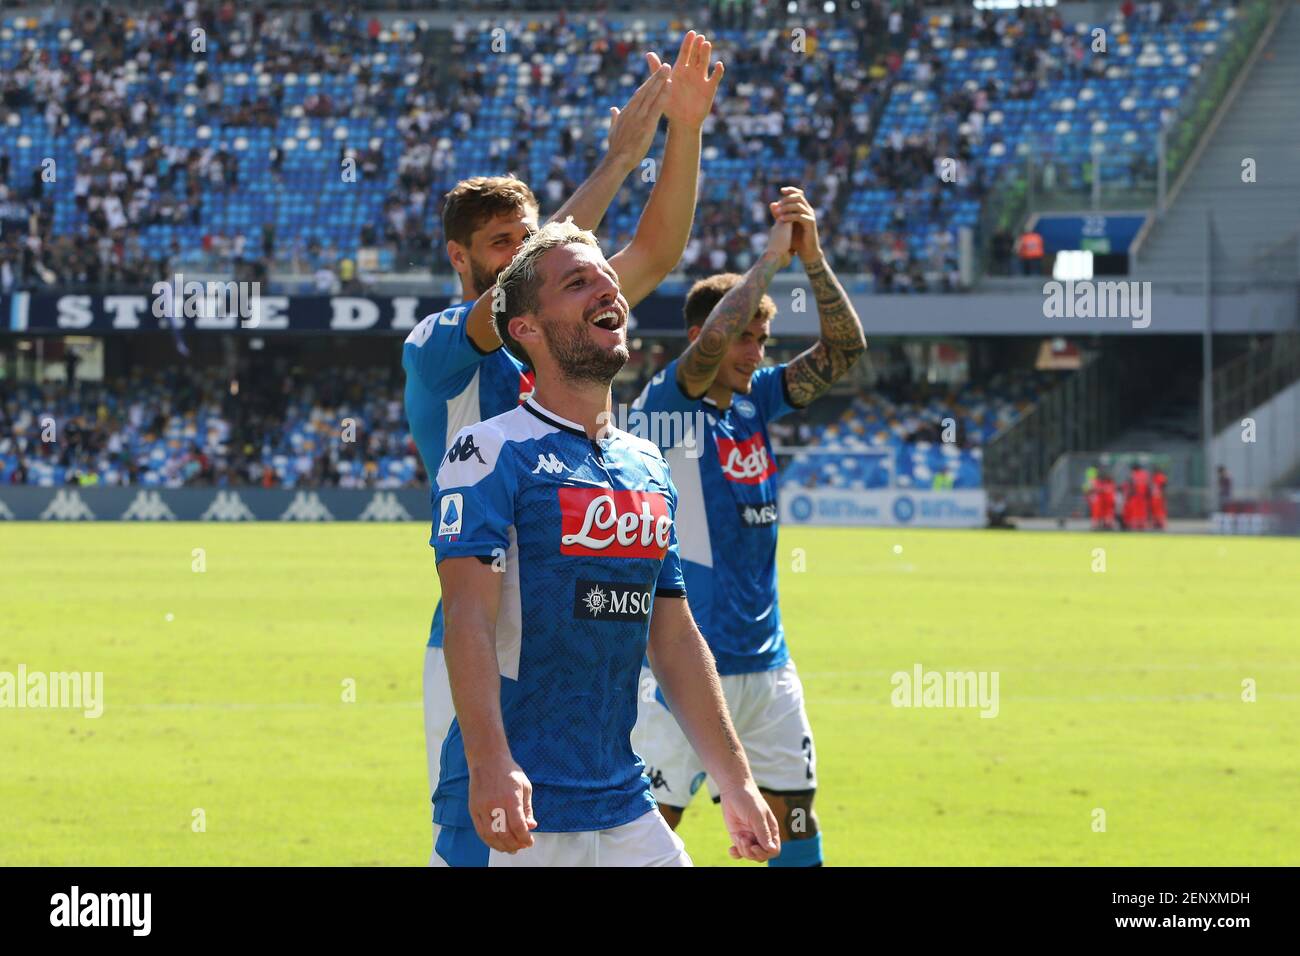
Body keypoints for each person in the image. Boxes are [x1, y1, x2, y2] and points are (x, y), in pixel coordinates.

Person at [403, 32, 725, 863]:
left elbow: (654, 253)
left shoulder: (562, 324)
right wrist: (617, 163)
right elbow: (546, 269)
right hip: (487, 629)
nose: (524, 251)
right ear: (461, 258)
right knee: (484, 834)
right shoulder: (438, 343)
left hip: (582, 629)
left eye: (529, 235)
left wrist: (684, 134)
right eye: (504, 242)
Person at [429, 219, 779, 866]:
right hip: (521, 813)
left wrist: (736, 780)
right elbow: (468, 618)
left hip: (625, 805)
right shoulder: (488, 451)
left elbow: (672, 637)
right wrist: (490, 761)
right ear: (526, 329)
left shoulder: (647, 464)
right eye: (577, 281)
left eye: (608, 278)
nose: (606, 289)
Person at [630, 186, 867, 866]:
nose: (756, 353)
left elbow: (845, 349)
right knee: (653, 830)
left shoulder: (756, 399)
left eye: (763, 339)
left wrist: (812, 263)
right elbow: (708, 349)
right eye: (745, 338)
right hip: (683, 665)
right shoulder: (668, 403)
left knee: (793, 821)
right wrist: (767, 261)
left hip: (767, 665)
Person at [1150, 466, 1168, 530]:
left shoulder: (1160, 476)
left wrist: (1163, 495)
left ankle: (1160, 523)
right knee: (1156, 511)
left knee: (1159, 511)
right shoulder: (1155, 477)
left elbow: (1163, 486)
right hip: (1156, 496)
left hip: (1158, 496)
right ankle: (1157, 523)